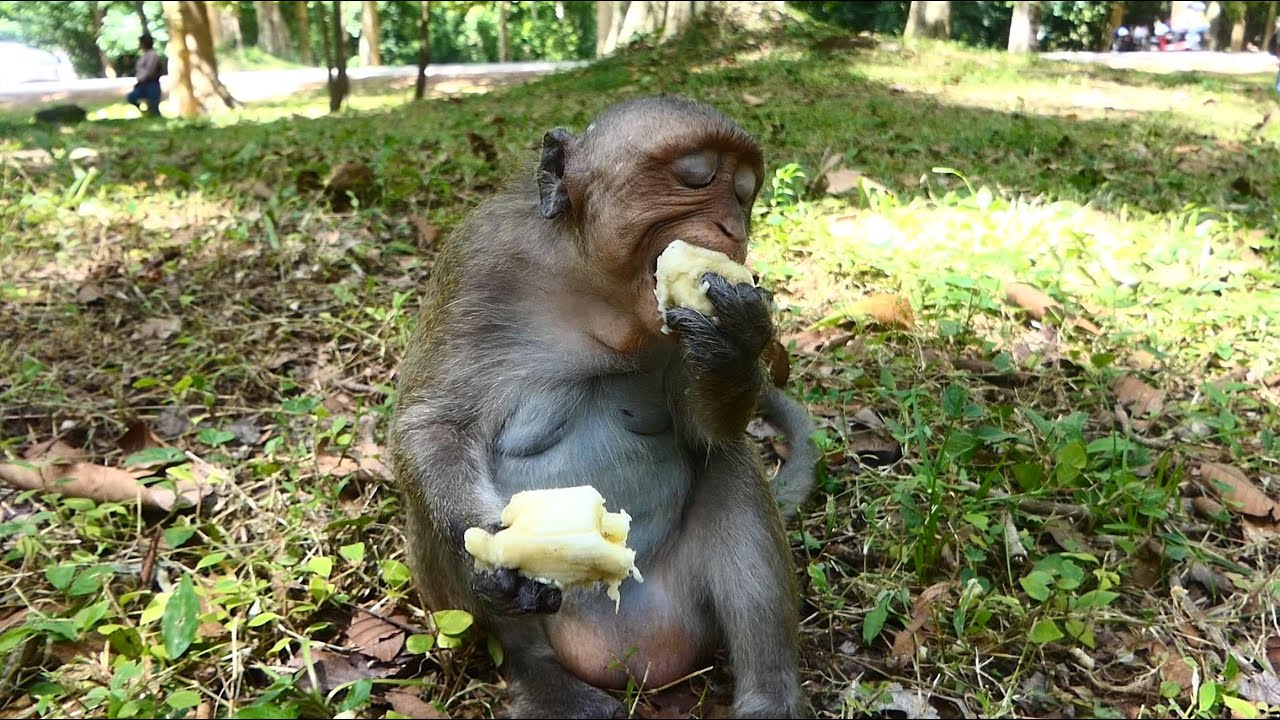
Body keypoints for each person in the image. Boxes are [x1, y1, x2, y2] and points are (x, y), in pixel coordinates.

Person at [126, 34, 162, 117]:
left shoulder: (153, 55)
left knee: (153, 106)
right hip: (143, 83)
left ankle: (154, 117)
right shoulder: (143, 56)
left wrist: (143, 78)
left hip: (151, 83)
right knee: (131, 97)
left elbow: (150, 70)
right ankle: (144, 112)